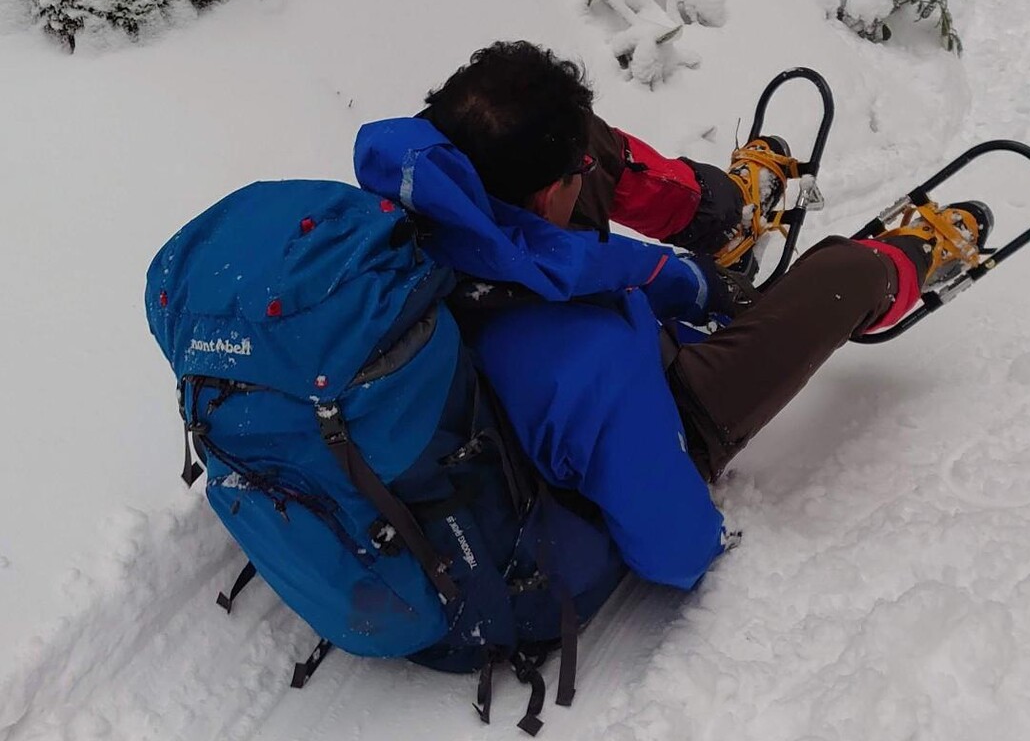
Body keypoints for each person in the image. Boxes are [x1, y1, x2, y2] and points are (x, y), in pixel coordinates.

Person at [353, 42, 990, 595]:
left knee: (583, 138)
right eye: (574, 177)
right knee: (842, 275)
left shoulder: (404, 204)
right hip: (655, 393)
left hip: (518, 319)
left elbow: (558, 237)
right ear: (549, 197)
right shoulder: (592, 365)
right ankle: (906, 262)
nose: (583, 175)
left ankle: (729, 216)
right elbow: (677, 553)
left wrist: (666, 274)